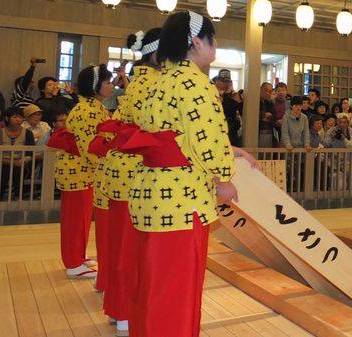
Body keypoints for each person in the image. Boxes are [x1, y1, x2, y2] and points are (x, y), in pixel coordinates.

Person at [127, 12, 244, 336]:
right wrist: (223, 178)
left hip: (151, 190)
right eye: (212, 38)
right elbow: (208, 139)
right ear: (196, 42)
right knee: (176, 288)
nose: (215, 44)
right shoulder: (195, 83)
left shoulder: (158, 80)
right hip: (182, 198)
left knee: (153, 284)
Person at [86, 28, 163, 337]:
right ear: (159, 54)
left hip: (122, 171)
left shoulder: (138, 81)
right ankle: (127, 313)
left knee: (121, 245)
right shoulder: (154, 83)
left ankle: (120, 310)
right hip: (135, 172)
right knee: (131, 249)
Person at [52, 65, 114, 287]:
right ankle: (73, 262)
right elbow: (89, 147)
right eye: (107, 82)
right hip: (78, 170)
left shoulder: (93, 107)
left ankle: (78, 256)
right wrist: (109, 165)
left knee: (83, 216)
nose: (111, 85)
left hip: (84, 170)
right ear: (95, 86)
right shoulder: (87, 110)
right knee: (75, 218)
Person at [213, 69, 243, 146]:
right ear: (216, 81)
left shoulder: (234, 95)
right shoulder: (212, 94)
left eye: (227, 81)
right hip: (215, 128)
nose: (225, 83)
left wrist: (239, 101)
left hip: (231, 130)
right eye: (222, 81)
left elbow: (242, 112)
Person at [258, 82, 276, 147]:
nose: (267, 93)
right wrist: (264, 115)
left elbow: (274, 117)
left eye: (270, 92)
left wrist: (267, 116)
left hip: (268, 132)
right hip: (256, 132)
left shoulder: (270, 103)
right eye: (266, 90)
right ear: (260, 89)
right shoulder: (254, 101)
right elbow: (254, 116)